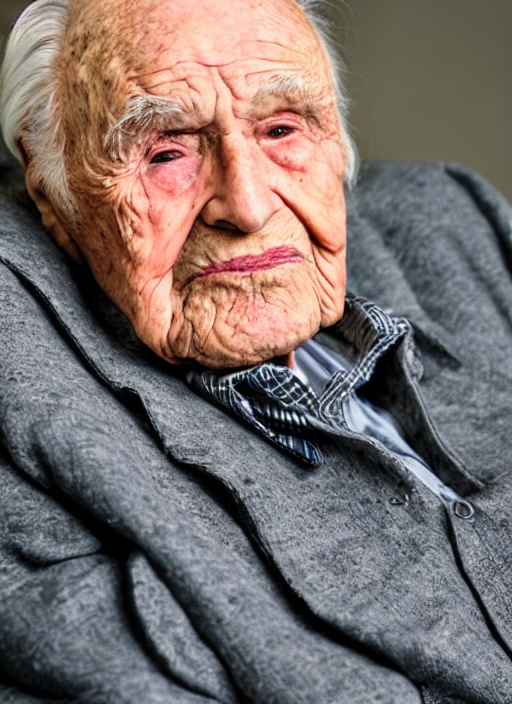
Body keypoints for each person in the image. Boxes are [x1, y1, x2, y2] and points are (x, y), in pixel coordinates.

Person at [0, 0, 511, 702]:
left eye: (280, 129)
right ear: (53, 196)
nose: (246, 203)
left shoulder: (456, 219)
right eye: (167, 152)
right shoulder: (19, 358)